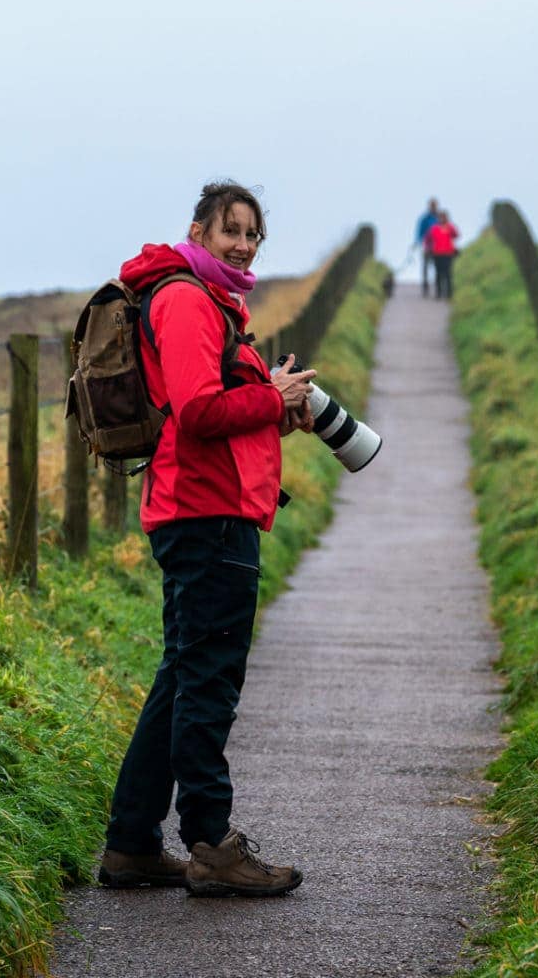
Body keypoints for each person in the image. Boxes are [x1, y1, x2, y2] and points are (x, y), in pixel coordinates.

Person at [96, 180, 316, 898]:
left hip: (208, 509)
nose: (244, 244)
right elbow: (196, 411)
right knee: (208, 683)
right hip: (206, 514)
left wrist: (273, 408)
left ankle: (131, 844)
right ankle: (212, 847)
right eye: (232, 230)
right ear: (199, 230)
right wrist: (271, 399)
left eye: (254, 233)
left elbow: (223, 406)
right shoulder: (188, 298)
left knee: (182, 676)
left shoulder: (213, 301)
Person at [427, 210, 460, 300]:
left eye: (444, 217)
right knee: (438, 274)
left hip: (448, 253)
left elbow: (456, 235)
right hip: (437, 254)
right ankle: (439, 293)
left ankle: (449, 293)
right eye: (441, 217)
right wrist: (429, 249)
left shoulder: (450, 227)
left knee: (448, 274)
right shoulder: (434, 228)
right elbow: (429, 239)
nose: (442, 219)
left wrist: (450, 228)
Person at [415, 197, 439, 296]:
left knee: (438, 268)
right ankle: (425, 287)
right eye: (431, 205)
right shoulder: (424, 218)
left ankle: (439, 288)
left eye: (434, 205)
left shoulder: (439, 217)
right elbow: (420, 232)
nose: (433, 207)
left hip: (438, 247)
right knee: (425, 267)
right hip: (427, 246)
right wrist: (419, 242)